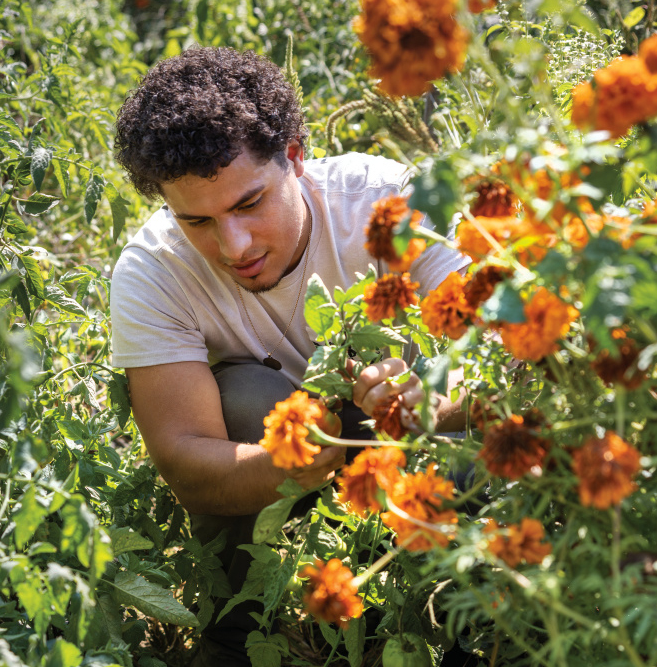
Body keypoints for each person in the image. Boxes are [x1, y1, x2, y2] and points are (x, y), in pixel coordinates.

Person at [111, 46, 469, 666]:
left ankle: (463, 625)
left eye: (249, 203)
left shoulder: (388, 205)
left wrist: (435, 401)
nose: (233, 245)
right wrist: (297, 462)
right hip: (281, 485)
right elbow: (185, 462)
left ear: (297, 158)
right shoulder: (153, 271)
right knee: (245, 398)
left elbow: (506, 358)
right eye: (196, 220)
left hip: (420, 459)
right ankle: (243, 635)